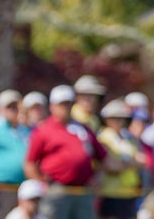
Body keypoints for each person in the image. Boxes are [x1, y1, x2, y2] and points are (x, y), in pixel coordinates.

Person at [23, 85, 107, 219]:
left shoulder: (82, 129)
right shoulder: (43, 130)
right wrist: (39, 183)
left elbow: (101, 157)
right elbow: (30, 162)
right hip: (56, 190)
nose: (65, 108)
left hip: (82, 190)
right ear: (52, 106)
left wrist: (97, 179)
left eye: (68, 104)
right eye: (62, 104)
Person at [96, 100, 146, 219]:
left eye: (121, 118)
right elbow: (109, 166)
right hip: (111, 194)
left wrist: (123, 164)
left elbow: (143, 161)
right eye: (114, 118)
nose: (119, 121)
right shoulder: (103, 137)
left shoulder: (128, 138)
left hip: (129, 193)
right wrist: (130, 163)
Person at [0, 90, 31, 215]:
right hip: (0, 189)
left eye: (16, 106)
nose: (14, 110)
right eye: (10, 106)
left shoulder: (24, 130)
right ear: (0, 109)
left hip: (24, 189)